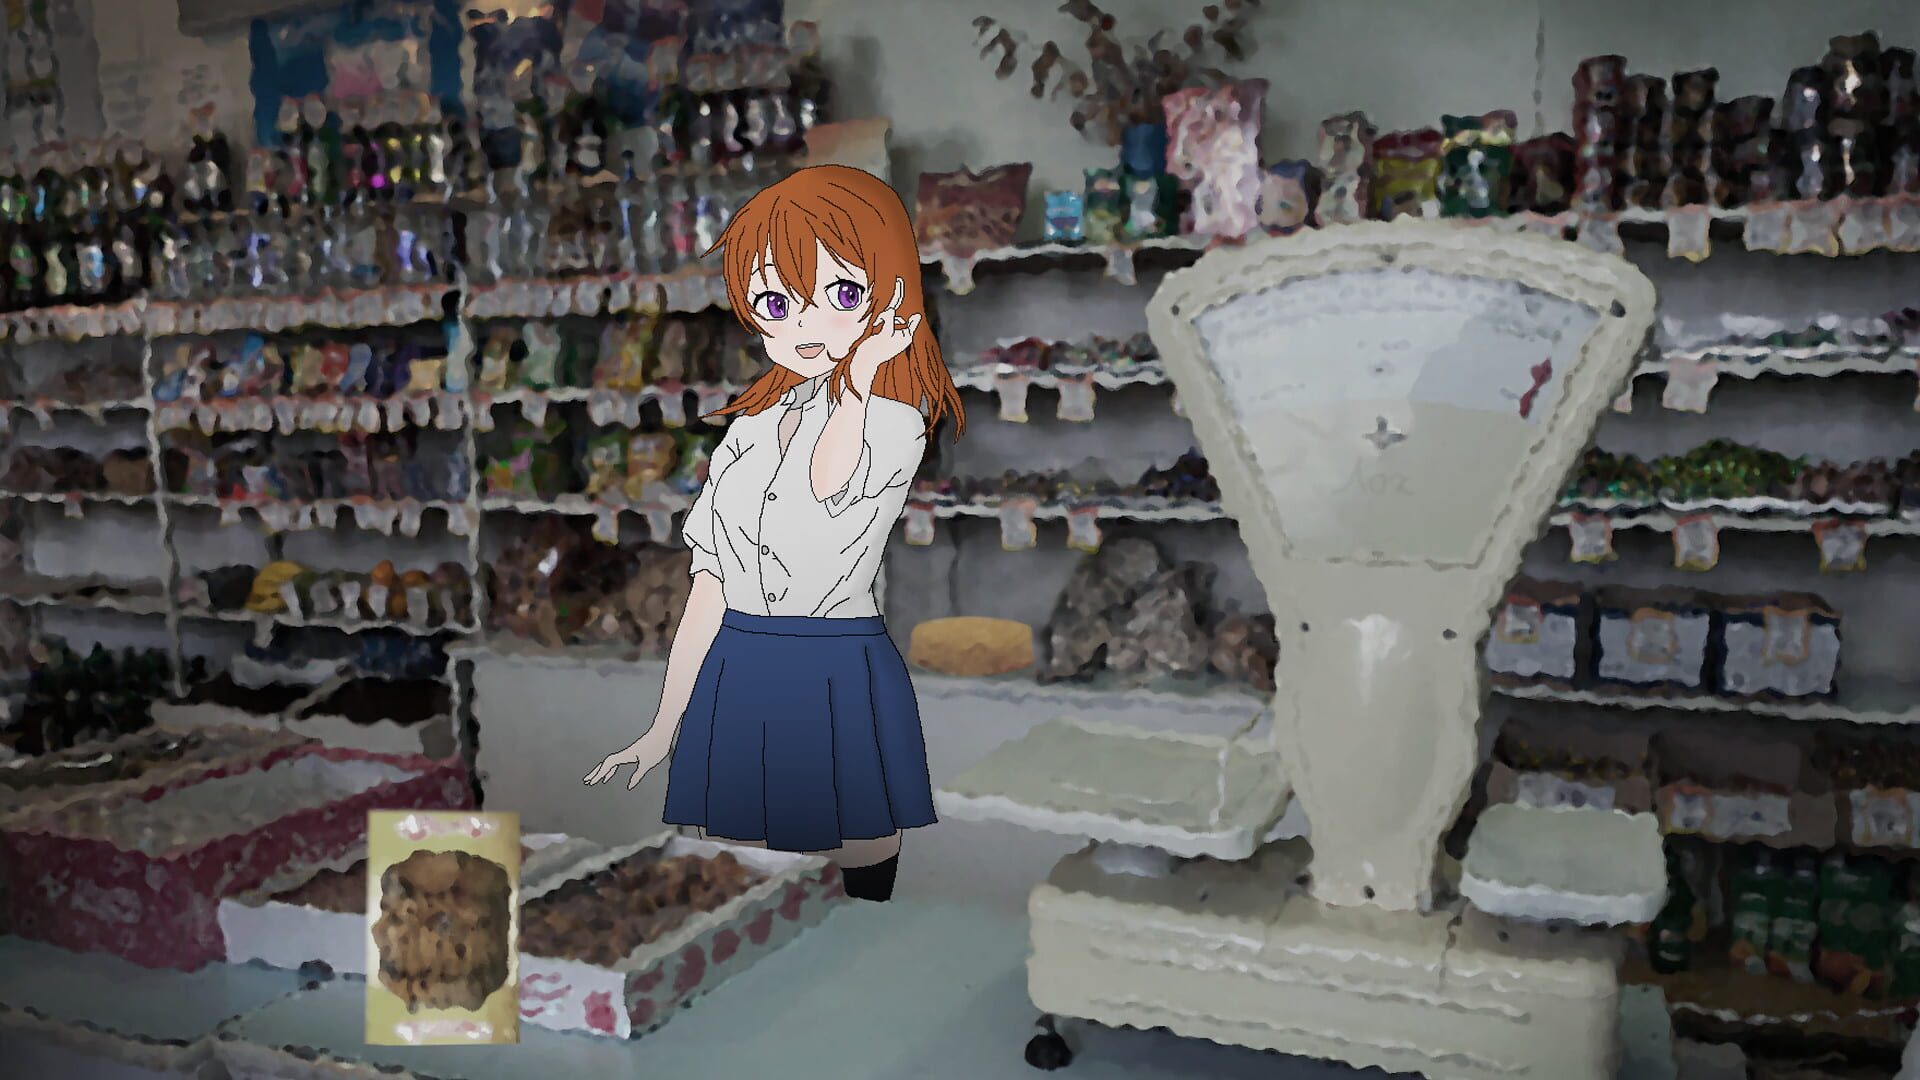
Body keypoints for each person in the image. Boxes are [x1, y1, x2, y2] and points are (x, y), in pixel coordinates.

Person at [583, 165, 965, 903]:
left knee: (847, 889)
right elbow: (711, 582)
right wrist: (663, 725)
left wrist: (859, 382)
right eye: (777, 303)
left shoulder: (896, 420)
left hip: (835, 665)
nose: (804, 327)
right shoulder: (750, 431)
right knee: (743, 890)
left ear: (890, 296)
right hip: (737, 665)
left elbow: (826, 498)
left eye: (842, 295)